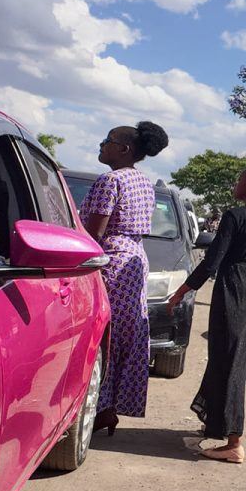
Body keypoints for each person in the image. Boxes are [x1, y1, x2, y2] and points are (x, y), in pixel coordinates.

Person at [166, 166, 246, 464]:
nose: (236, 185)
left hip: (233, 291)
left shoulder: (235, 217)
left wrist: (181, 291)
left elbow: (211, 263)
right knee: (227, 359)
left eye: (238, 181)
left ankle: (235, 443)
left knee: (231, 364)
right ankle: (216, 425)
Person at [80, 121, 169, 436]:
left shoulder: (111, 180)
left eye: (108, 140)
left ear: (125, 149)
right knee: (124, 336)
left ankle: (100, 407)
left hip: (110, 262)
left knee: (103, 335)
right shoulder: (144, 181)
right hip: (134, 259)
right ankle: (109, 407)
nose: (101, 145)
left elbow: (95, 233)